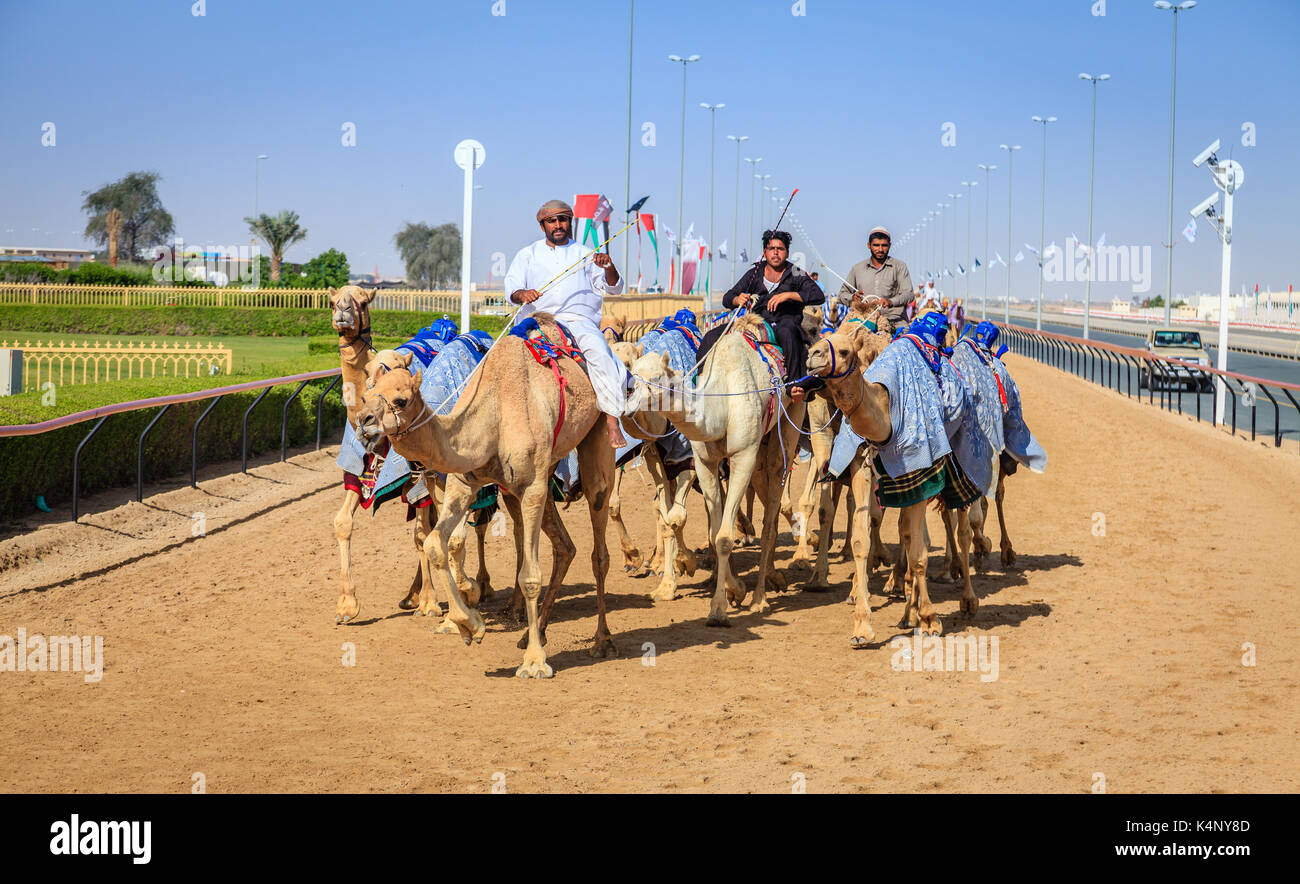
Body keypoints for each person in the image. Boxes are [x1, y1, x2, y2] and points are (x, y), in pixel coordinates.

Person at [503, 198, 632, 448]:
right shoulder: (527, 255)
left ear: (570, 223)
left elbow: (614, 287)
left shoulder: (586, 254)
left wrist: (609, 267)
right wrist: (523, 294)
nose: (558, 225)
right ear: (543, 226)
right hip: (536, 322)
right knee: (504, 360)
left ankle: (612, 419)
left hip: (578, 322)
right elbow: (512, 289)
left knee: (599, 353)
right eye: (552, 221)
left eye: (563, 219)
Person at [694, 229, 825, 401]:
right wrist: (737, 299)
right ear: (765, 252)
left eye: (780, 248)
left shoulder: (796, 272)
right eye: (771, 248)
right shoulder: (755, 273)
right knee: (712, 336)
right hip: (755, 322)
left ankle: (794, 384)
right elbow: (728, 297)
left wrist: (788, 295)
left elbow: (818, 295)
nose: (776, 252)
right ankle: (700, 381)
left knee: (788, 331)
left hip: (785, 321)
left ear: (787, 252)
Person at [834, 227, 915, 332]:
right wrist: (853, 297)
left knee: (907, 343)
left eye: (884, 245)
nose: (880, 249)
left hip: (894, 321)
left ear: (889, 246)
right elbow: (841, 295)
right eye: (876, 245)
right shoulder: (857, 268)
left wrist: (890, 302)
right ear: (869, 246)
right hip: (862, 321)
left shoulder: (899, 266)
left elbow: (909, 294)